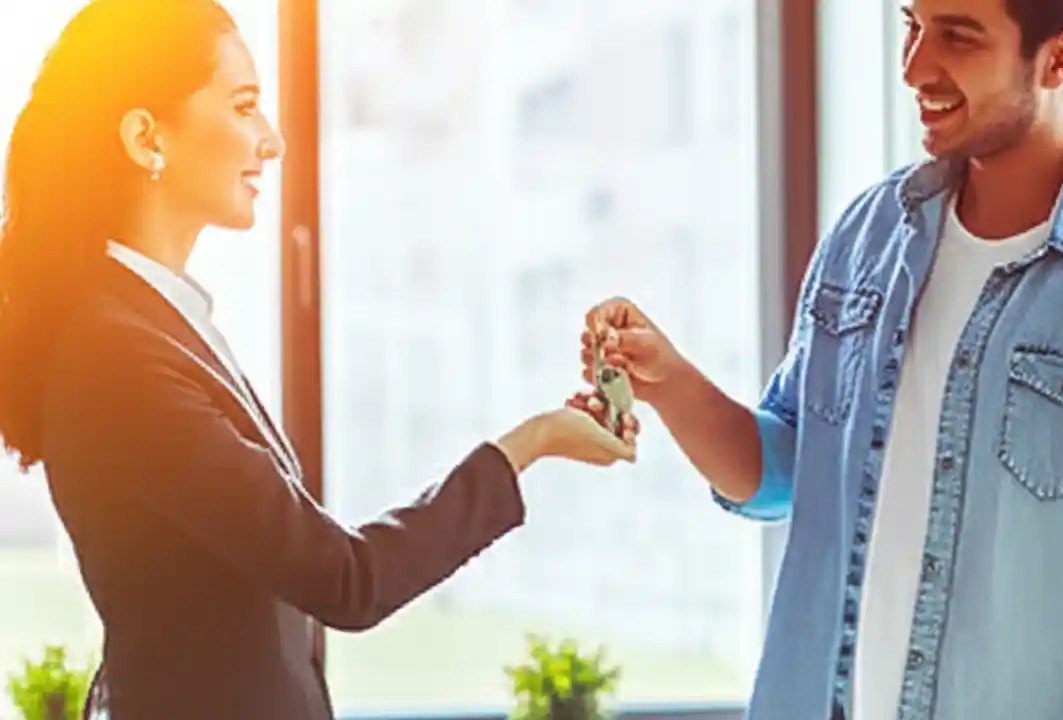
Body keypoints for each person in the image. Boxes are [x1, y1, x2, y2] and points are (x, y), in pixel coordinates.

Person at [575, 0, 1063, 718]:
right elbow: (789, 471)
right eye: (911, 25)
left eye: (957, 36)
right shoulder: (868, 235)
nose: (913, 67)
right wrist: (669, 380)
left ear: (1060, 57)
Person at [0, 1, 639, 718]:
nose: (272, 141)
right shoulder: (117, 354)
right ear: (147, 136)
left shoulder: (158, 327)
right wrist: (533, 442)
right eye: (243, 106)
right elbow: (346, 580)